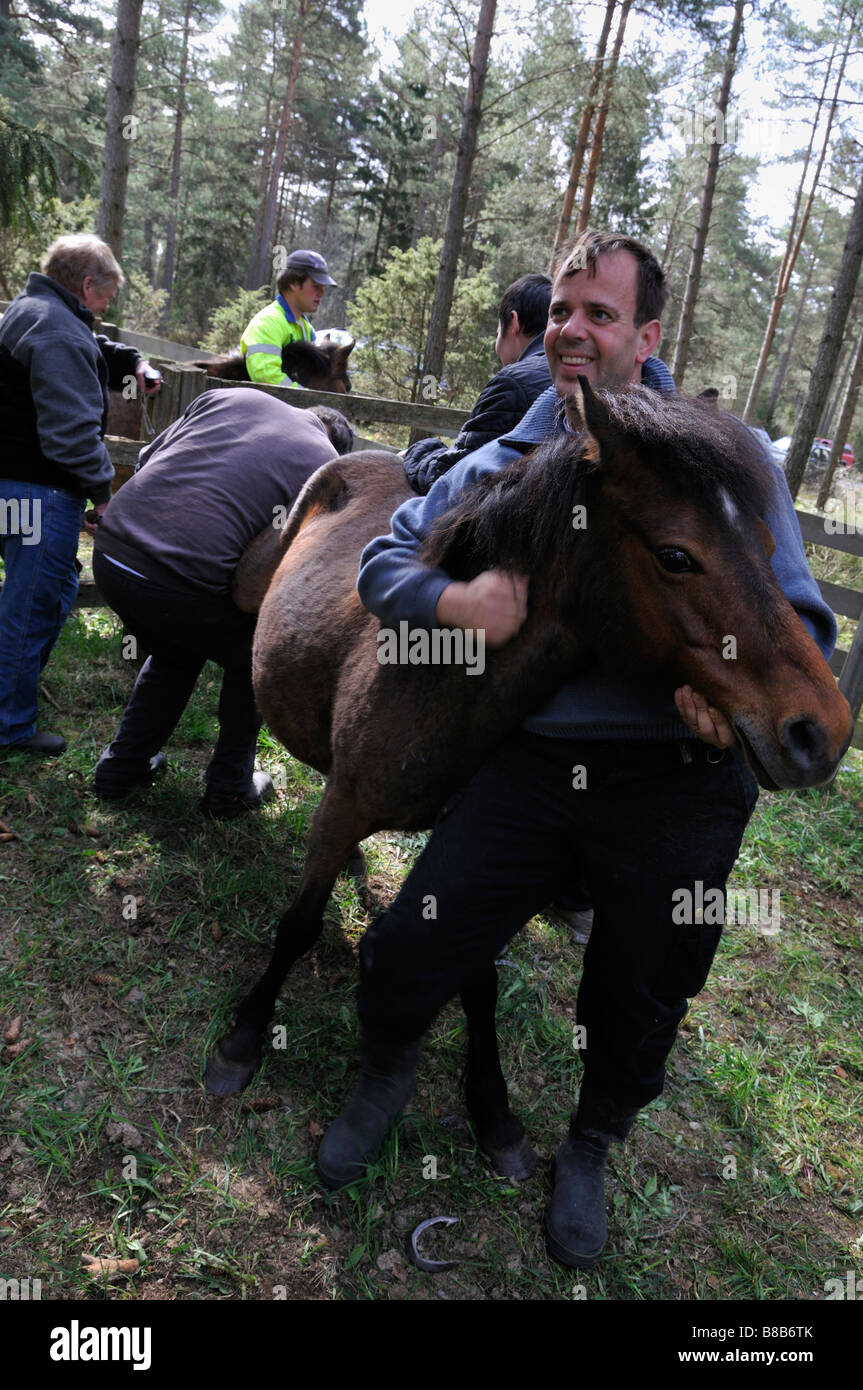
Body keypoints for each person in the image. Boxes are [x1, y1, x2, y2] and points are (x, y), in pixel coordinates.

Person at [315, 229, 837, 1269]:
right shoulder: (513, 450)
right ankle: (386, 1068)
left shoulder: (721, 460)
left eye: (598, 313)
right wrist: (453, 597)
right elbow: (381, 561)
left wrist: (725, 690)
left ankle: (592, 1139)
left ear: (645, 335)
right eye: (559, 310)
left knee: (643, 983)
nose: (569, 329)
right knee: (417, 935)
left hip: (678, 781)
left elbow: (800, 624)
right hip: (536, 762)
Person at [91, 391, 352, 819]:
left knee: (178, 646)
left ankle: (122, 767)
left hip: (112, 552)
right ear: (338, 445)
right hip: (176, 581)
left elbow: (146, 460)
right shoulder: (326, 464)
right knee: (255, 649)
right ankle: (230, 787)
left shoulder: (231, 397)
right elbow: (297, 557)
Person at [0, 234, 161, 755]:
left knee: (47, 593)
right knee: (30, 610)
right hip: (39, 493)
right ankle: (9, 726)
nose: (106, 305)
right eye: (106, 295)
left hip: (17, 488)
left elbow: (91, 347)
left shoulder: (31, 310)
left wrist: (133, 362)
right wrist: (102, 494)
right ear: (86, 284)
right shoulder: (58, 331)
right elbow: (70, 433)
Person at [402, 273, 554, 495]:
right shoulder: (587, 375)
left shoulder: (512, 384)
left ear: (513, 323)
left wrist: (416, 451)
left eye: (496, 330)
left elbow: (455, 477)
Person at [241, 250, 336, 389]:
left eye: (323, 287)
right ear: (293, 283)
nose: (321, 293)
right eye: (315, 286)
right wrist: (309, 397)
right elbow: (266, 377)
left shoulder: (306, 328)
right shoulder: (268, 322)